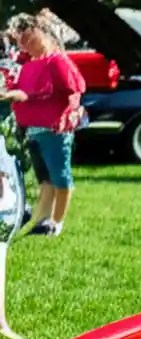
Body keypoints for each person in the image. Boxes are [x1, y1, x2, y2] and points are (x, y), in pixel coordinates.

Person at [0, 14, 85, 237]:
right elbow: (20, 89)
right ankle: (42, 220)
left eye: (28, 39)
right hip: (34, 130)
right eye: (21, 42)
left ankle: (56, 222)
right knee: (45, 180)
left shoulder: (57, 61)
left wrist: (28, 96)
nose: (25, 45)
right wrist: (11, 93)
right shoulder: (30, 65)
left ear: (41, 33)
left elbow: (73, 89)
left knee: (60, 177)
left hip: (54, 130)